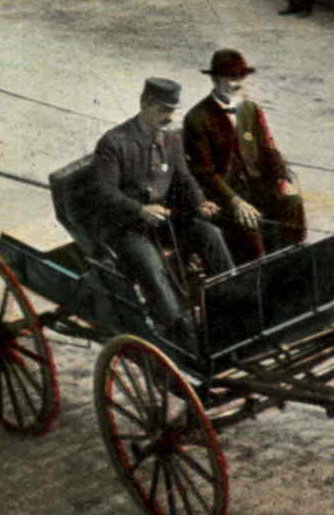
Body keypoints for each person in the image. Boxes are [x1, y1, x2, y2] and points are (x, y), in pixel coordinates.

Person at [91, 78, 234, 340]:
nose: (169, 117)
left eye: (172, 110)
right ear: (145, 104)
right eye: (162, 110)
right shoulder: (114, 143)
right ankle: (178, 332)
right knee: (150, 264)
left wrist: (200, 201)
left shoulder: (170, 140)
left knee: (210, 234)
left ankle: (231, 306)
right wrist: (139, 210)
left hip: (165, 221)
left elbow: (184, 178)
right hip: (128, 229)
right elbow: (104, 192)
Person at [181, 51, 306, 266]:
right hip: (223, 198)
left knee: (293, 205)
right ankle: (261, 277)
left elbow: (268, 150)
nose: (235, 83)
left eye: (239, 77)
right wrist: (236, 201)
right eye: (229, 77)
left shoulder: (251, 109)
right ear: (214, 79)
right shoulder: (197, 117)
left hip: (256, 189)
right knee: (249, 223)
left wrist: (282, 181)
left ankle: (289, 266)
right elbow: (205, 172)